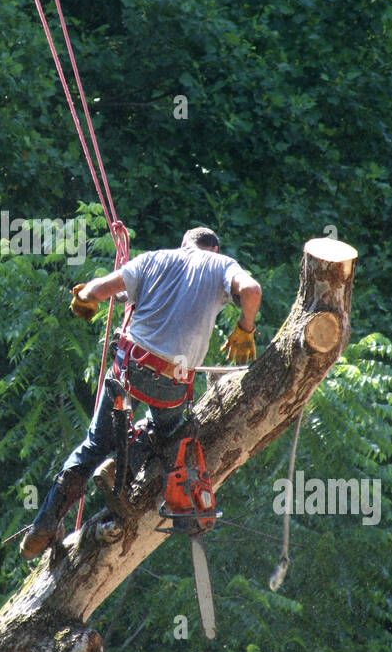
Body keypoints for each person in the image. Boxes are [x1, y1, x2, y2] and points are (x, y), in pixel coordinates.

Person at [19, 226, 261, 559]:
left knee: (93, 444)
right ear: (213, 249)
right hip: (171, 380)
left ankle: (43, 524)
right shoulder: (220, 266)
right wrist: (245, 328)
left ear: (183, 245)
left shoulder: (155, 259)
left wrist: (84, 300)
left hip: (128, 369)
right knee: (168, 432)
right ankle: (123, 464)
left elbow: (96, 290)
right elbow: (251, 290)